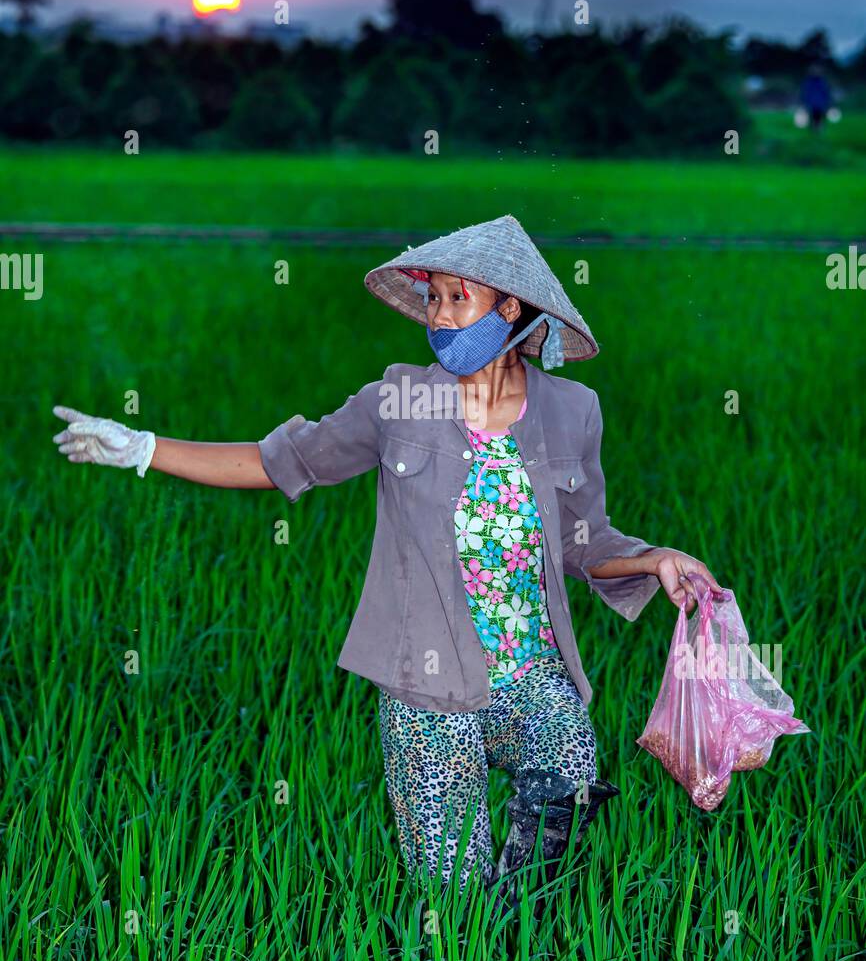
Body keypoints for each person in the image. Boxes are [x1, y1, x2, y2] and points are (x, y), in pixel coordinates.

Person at [52, 214, 723, 907]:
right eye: (433, 298)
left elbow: (587, 543)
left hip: (531, 671)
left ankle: (529, 952)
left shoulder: (572, 411)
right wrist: (141, 449)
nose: (439, 314)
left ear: (512, 309)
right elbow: (279, 461)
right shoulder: (399, 401)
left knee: (565, 788)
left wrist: (655, 560)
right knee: (453, 893)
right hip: (426, 684)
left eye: (458, 298)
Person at [799, 66, 832, 130]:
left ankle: (818, 131)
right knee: (812, 119)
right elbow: (804, 93)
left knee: (819, 119)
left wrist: (828, 103)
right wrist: (803, 103)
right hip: (811, 105)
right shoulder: (808, 82)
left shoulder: (823, 82)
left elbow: (826, 93)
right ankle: (814, 131)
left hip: (820, 105)